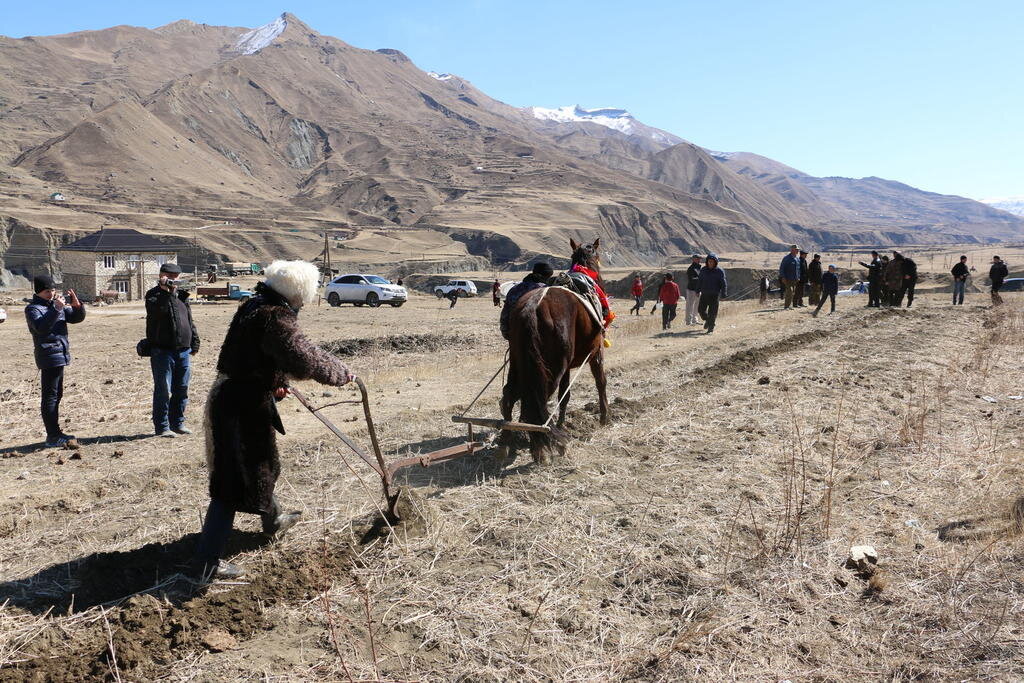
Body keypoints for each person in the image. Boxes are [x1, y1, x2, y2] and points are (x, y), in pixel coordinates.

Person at [194, 260, 357, 581]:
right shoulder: (276, 316)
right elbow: (302, 356)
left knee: (262, 466)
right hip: (239, 406)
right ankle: (206, 564)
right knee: (231, 482)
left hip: (241, 398)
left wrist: (273, 380)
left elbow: (263, 354)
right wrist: (339, 373)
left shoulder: (257, 305)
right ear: (299, 293)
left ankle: (274, 520)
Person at [24, 275, 86, 448]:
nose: (51, 294)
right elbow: (40, 327)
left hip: (60, 355)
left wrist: (77, 306)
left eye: (52, 290)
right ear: (38, 292)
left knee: (57, 395)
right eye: (46, 291)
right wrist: (56, 308)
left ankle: (57, 433)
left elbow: (75, 318)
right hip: (48, 356)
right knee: (50, 397)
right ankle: (52, 436)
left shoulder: (55, 306)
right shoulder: (33, 309)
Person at [145, 263, 200, 438]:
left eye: (176, 276)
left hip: (183, 350)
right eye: (170, 276)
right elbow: (158, 314)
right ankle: (162, 427)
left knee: (181, 388)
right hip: (163, 351)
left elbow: (189, 320)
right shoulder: (153, 296)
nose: (174, 280)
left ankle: (178, 423)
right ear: (162, 276)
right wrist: (165, 292)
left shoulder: (182, 296)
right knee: (163, 389)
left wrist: (195, 341)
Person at [500, 262, 553, 339]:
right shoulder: (546, 290)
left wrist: (506, 333)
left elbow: (505, 313)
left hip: (516, 332)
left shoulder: (514, 289)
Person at [697, 253, 727, 334]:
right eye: (709, 261)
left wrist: (724, 294)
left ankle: (711, 327)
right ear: (707, 262)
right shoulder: (703, 270)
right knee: (700, 310)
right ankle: (708, 320)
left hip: (714, 294)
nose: (710, 263)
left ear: (715, 262)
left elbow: (723, 283)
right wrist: (697, 290)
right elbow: (700, 281)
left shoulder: (719, 271)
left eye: (712, 262)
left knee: (712, 312)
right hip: (704, 294)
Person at [779, 245, 801, 309]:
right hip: (787, 278)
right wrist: (783, 277)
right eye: (796, 249)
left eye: (798, 250)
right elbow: (782, 268)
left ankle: (789, 305)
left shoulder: (797, 259)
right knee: (790, 291)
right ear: (792, 250)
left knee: (792, 292)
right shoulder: (786, 258)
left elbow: (798, 269)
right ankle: (786, 306)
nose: (797, 251)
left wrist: (798, 277)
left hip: (795, 279)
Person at [685, 254, 701, 324]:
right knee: (690, 305)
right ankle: (688, 321)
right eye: (698, 258)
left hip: (698, 289)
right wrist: (700, 279)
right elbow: (692, 279)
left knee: (697, 305)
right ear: (693, 259)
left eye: (699, 258)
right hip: (691, 289)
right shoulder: (691, 268)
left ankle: (695, 319)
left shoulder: (699, 268)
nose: (699, 260)